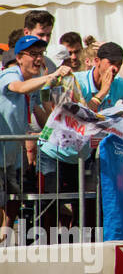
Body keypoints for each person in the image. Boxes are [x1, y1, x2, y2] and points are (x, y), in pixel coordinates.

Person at [38, 41, 123, 225]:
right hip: (55, 151)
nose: (115, 68)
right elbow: (80, 118)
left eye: (119, 63)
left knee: (85, 206)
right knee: (50, 205)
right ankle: (47, 248)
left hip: (82, 155)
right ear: (97, 61)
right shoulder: (75, 80)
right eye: (111, 62)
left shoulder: (120, 84)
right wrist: (102, 93)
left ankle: (83, 247)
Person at [0, 37, 72, 241]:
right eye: (33, 54)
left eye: (41, 54)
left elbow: (40, 115)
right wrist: (51, 77)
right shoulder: (10, 74)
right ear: (19, 58)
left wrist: (61, 132)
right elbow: (19, 88)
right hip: (1, 152)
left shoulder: (36, 81)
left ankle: (4, 243)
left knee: (14, 199)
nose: (39, 59)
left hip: (12, 156)